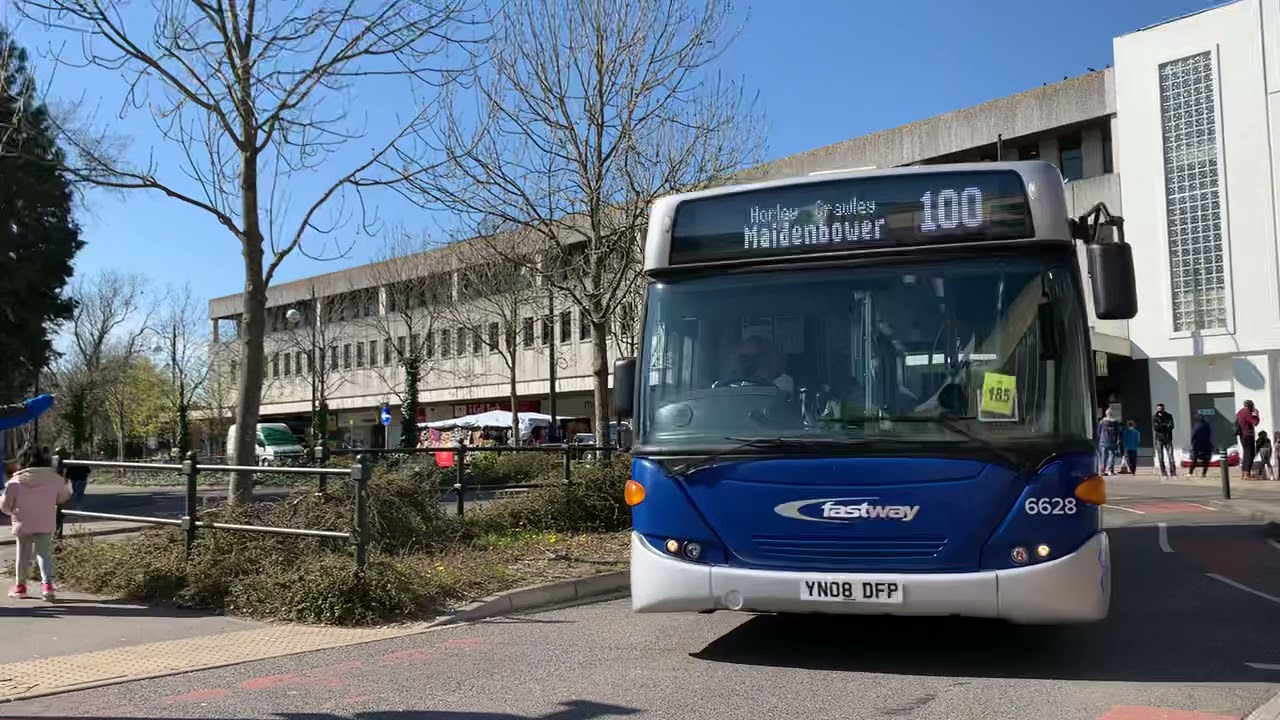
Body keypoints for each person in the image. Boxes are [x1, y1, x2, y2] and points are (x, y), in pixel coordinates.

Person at [0, 444, 72, 601]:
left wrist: (10, 511)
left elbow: (5, 506)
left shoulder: (15, 482)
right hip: (45, 520)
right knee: (43, 554)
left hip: (22, 521)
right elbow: (64, 496)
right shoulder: (56, 479)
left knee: (23, 554)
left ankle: (20, 586)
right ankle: (47, 586)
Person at [1236, 400, 1261, 479]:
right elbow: (1255, 422)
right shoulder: (1247, 412)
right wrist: (1256, 414)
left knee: (1246, 454)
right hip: (1248, 435)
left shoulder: (1239, 412)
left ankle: (1244, 473)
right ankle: (1247, 473)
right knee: (1250, 454)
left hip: (1242, 436)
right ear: (1251, 405)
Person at [1152, 403, 1176, 478]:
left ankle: (1173, 472)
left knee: (1171, 456)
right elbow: (1156, 428)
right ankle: (1163, 472)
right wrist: (1165, 425)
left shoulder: (1169, 416)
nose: (1160, 410)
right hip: (1159, 439)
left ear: (1163, 408)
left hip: (1168, 438)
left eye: (1161, 408)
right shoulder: (1154, 417)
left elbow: (1171, 426)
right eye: (1158, 408)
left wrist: (1162, 425)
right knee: (1160, 457)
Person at [1096, 408, 1122, 475]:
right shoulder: (1115, 422)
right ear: (1112, 414)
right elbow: (1118, 432)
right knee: (1111, 456)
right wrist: (1117, 441)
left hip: (1103, 441)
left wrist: (1100, 438)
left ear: (1106, 414)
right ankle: (1110, 470)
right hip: (1112, 442)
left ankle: (1102, 471)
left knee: (1103, 457)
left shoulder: (1101, 422)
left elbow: (1098, 432)